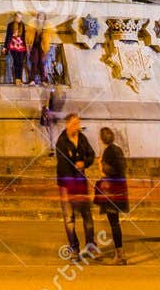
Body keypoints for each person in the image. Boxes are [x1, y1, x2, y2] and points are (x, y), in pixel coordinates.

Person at [55, 113, 96, 254]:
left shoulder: (82, 138)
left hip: (81, 181)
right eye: (74, 124)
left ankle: (91, 245)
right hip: (67, 185)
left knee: (87, 215)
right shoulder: (61, 142)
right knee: (69, 218)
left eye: (78, 123)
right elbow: (63, 165)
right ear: (67, 124)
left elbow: (91, 154)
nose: (77, 127)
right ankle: (74, 248)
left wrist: (84, 163)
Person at [95, 127, 129, 265]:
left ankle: (119, 255)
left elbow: (105, 174)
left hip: (112, 193)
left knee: (114, 224)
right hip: (120, 190)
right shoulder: (118, 150)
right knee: (116, 223)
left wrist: (99, 164)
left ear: (102, 139)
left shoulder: (108, 152)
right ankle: (120, 252)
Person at [4, 13, 27, 85]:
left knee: (21, 62)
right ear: (15, 17)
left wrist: (26, 47)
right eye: (17, 17)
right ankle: (16, 78)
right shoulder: (10, 25)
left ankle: (20, 79)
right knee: (16, 62)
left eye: (20, 17)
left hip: (21, 45)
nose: (18, 19)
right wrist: (5, 46)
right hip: (13, 44)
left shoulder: (22, 25)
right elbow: (7, 36)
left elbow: (24, 37)